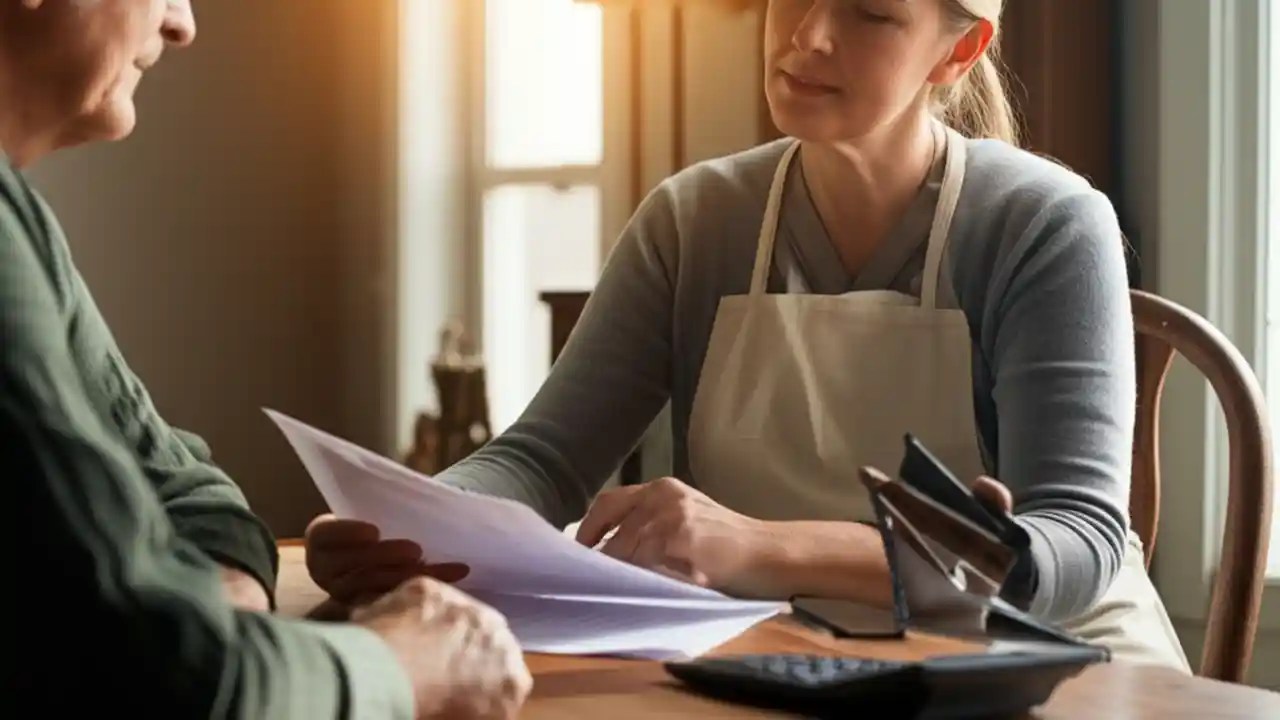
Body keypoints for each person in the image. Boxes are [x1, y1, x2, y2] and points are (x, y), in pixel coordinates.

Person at [308, 0, 1190, 671]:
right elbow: (542, 460)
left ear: (957, 53)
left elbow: (1073, 543)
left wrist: (757, 546)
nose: (808, 34)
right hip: (796, 654)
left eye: (870, 11)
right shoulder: (694, 221)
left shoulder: (1043, 223)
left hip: (1046, 665)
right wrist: (415, 526)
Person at [4, 1, 531, 717]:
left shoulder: (22, 221)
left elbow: (199, 501)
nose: (182, 24)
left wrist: (204, 620)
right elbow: (157, 677)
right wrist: (404, 662)